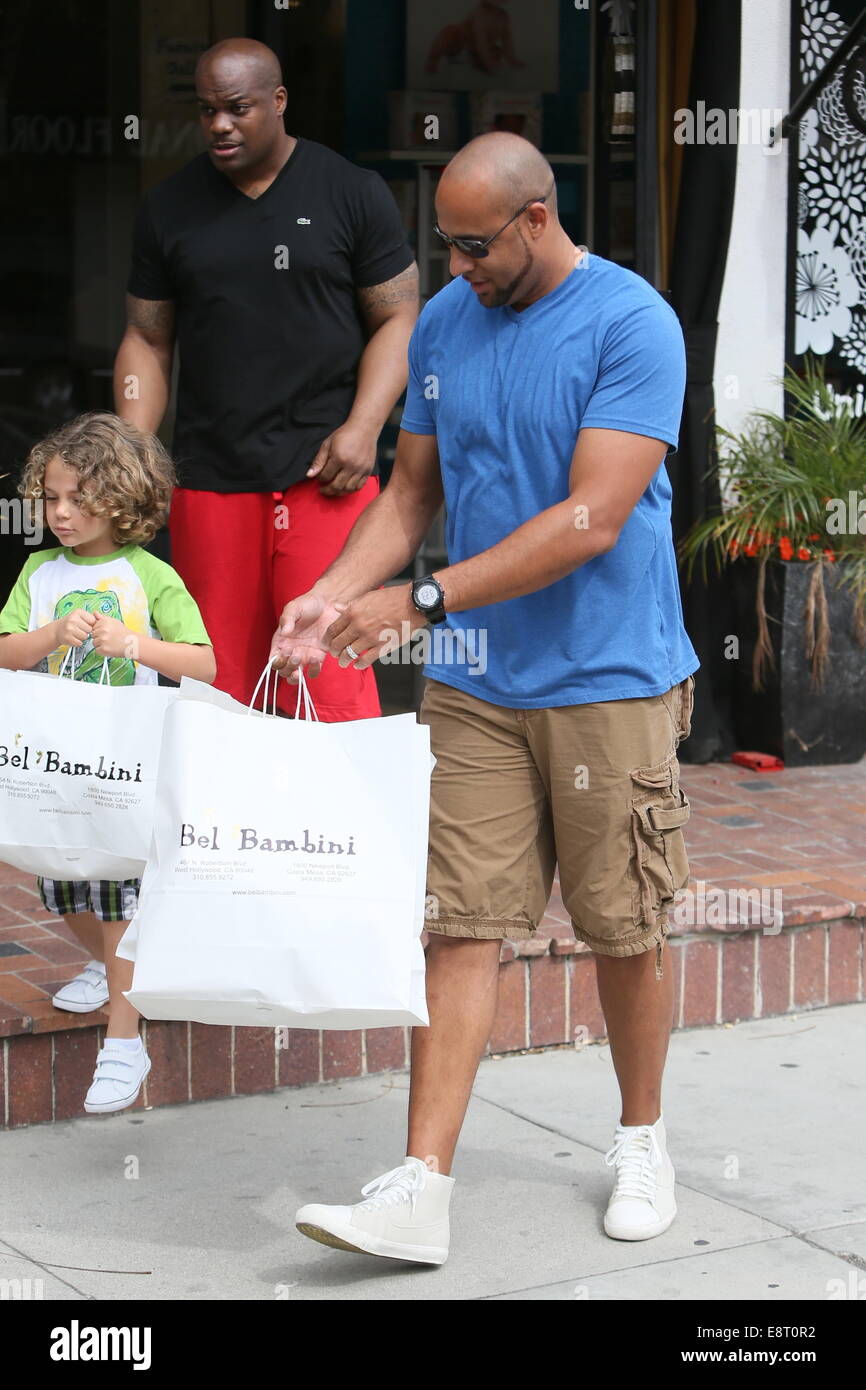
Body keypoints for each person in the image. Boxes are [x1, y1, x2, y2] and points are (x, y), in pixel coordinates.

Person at [272, 132, 699, 1265]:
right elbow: (411, 492)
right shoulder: (447, 324)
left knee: (622, 923)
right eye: (443, 244)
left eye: (472, 245)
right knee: (457, 923)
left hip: (610, 673)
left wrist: (422, 600)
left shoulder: (630, 324)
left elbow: (588, 518)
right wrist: (328, 595)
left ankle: (641, 1136)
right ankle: (420, 1188)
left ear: (535, 217)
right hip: (476, 676)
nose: (455, 266)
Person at [114, 37, 418, 720]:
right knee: (217, 686)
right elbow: (146, 336)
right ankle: (228, 829)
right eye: (207, 111)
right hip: (211, 479)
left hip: (327, 476)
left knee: (327, 675)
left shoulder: (349, 192)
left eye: (237, 108)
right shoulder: (170, 207)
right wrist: (134, 447)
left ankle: (343, 827)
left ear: (278, 101)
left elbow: (400, 318)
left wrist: (365, 426)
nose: (220, 124)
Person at [0, 412, 215, 1113]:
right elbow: (5, 652)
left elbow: (204, 664)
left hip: (129, 767)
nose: (61, 514)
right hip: (56, 763)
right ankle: (106, 963)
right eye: (52, 497)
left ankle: (125, 1041)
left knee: (121, 897)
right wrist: (47, 636)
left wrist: (132, 645)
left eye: (79, 500)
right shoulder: (38, 570)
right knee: (61, 888)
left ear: (124, 498)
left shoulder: (151, 575)